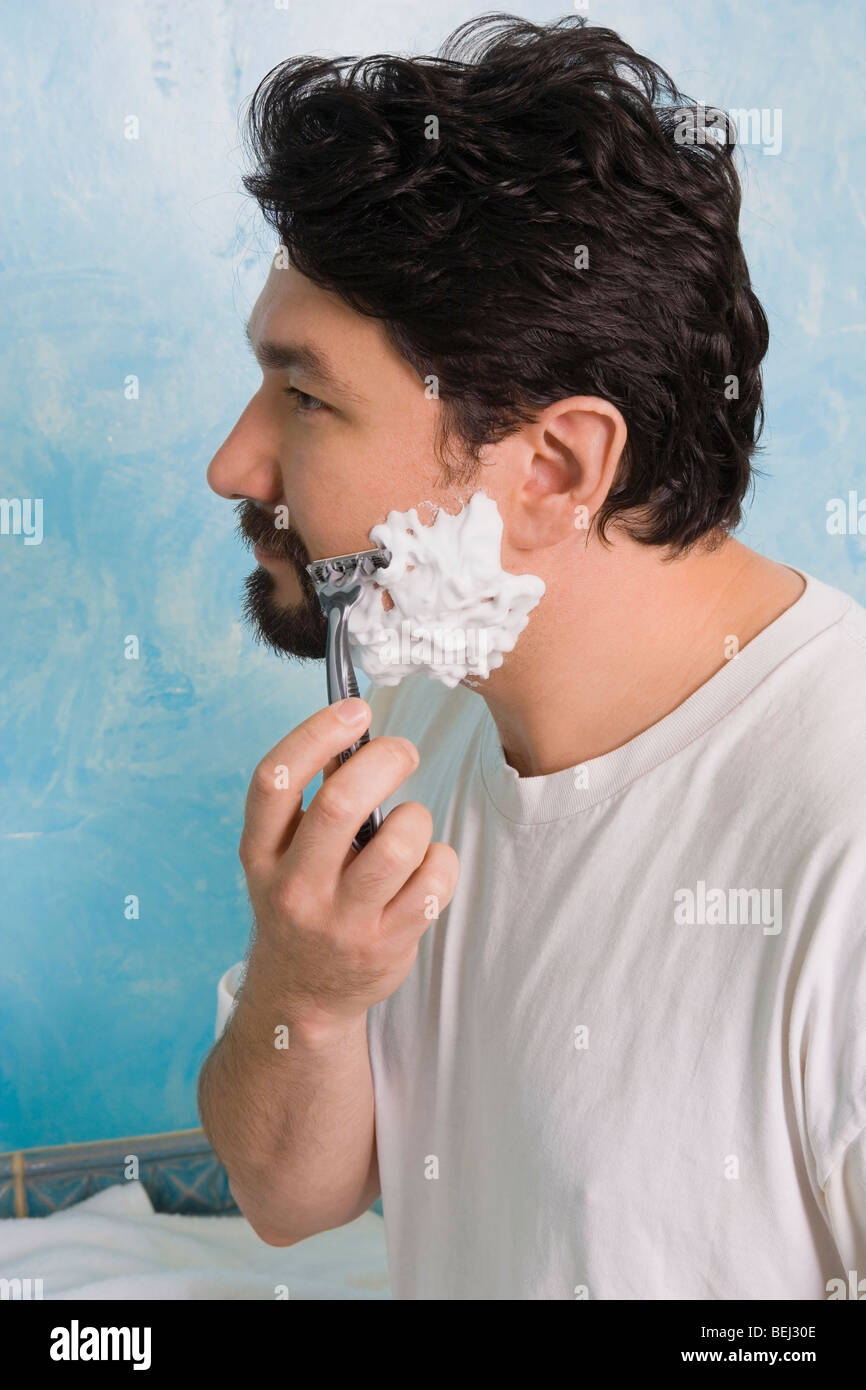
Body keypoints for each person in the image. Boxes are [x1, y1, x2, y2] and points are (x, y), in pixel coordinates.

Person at [197, 14, 866, 1299]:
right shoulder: (425, 718)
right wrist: (309, 989)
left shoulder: (839, 840)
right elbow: (288, 1198)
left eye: (306, 393)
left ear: (553, 467)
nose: (233, 463)